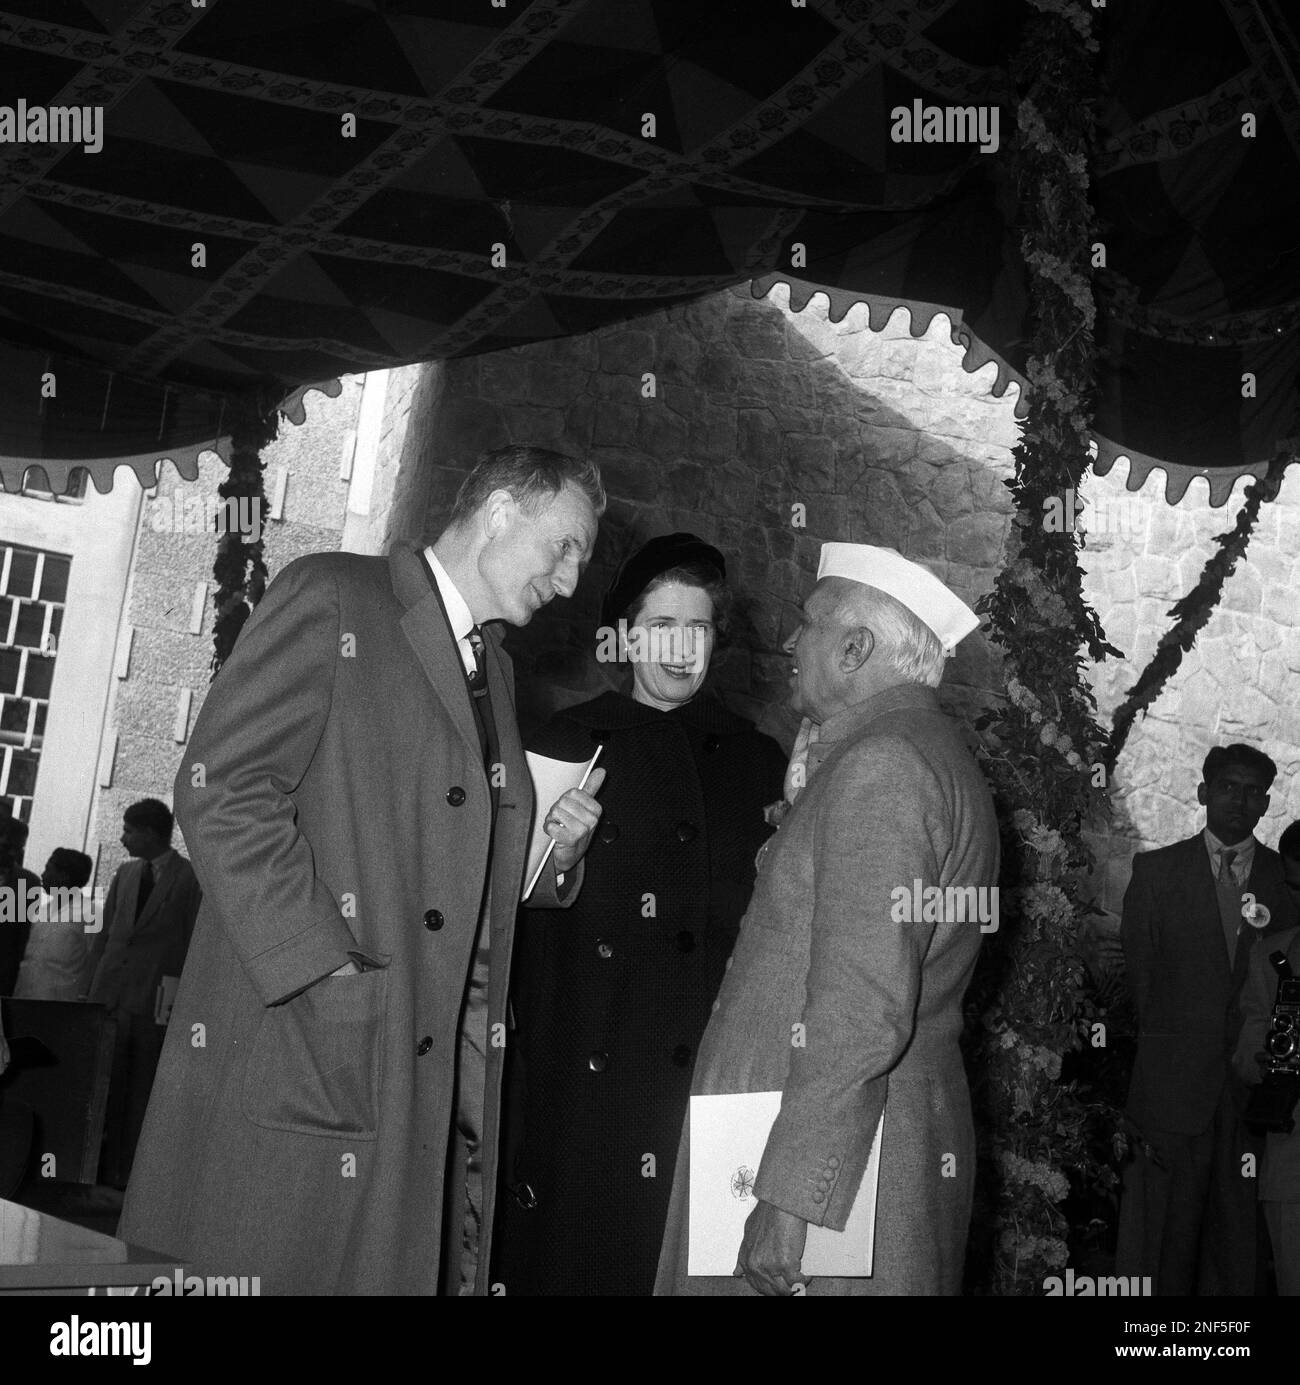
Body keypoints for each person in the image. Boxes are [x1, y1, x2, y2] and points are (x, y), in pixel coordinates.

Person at [117, 445, 608, 1296]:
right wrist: (324, 967)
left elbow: (446, 860)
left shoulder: (492, 667)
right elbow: (221, 787)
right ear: (498, 510)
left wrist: (550, 860)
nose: (569, 582)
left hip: (425, 1064)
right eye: (563, 547)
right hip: (314, 1044)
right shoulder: (335, 593)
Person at [655, 542, 998, 1296]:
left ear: (856, 646)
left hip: (831, 1186)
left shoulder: (884, 767)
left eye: (807, 623)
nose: (787, 641)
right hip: (854, 1154)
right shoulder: (910, 750)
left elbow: (859, 1006)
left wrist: (789, 1198)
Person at [493, 533, 787, 1295]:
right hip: (582, 1081)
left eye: (699, 628)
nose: (681, 647)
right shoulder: (566, 742)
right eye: (662, 626)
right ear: (624, 637)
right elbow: (505, 922)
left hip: (698, 1088)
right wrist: (558, 858)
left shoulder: (757, 759)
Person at [1116, 745, 1298, 1295]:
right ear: (1202, 793)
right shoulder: (1155, 872)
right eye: (1227, 786)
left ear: (1266, 803)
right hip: (1173, 1088)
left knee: (1237, 1238)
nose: (1238, 800)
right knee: (1162, 1237)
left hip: (1256, 1093)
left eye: (1251, 791)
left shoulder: (1287, 881)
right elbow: (1141, 985)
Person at [82, 801, 201, 1189]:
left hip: (154, 1004)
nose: (122, 838)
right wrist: (92, 992)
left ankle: (129, 1175)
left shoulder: (189, 878)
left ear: (150, 833)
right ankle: (95, 1170)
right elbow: (107, 936)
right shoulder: (125, 873)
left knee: (142, 1090)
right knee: (105, 1085)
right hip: (112, 999)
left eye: (129, 830)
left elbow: (191, 943)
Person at [1232, 827, 1300, 1297]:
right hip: (1290, 1162)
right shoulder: (1272, 955)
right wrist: (1262, 1060)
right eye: (1297, 886)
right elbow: (1246, 1055)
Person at [14, 848, 95, 1002]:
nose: (43, 875)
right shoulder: (42, 910)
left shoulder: (89, 915)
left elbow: (94, 960)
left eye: (48, 869)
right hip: (25, 997)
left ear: (64, 876)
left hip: (60, 1002)